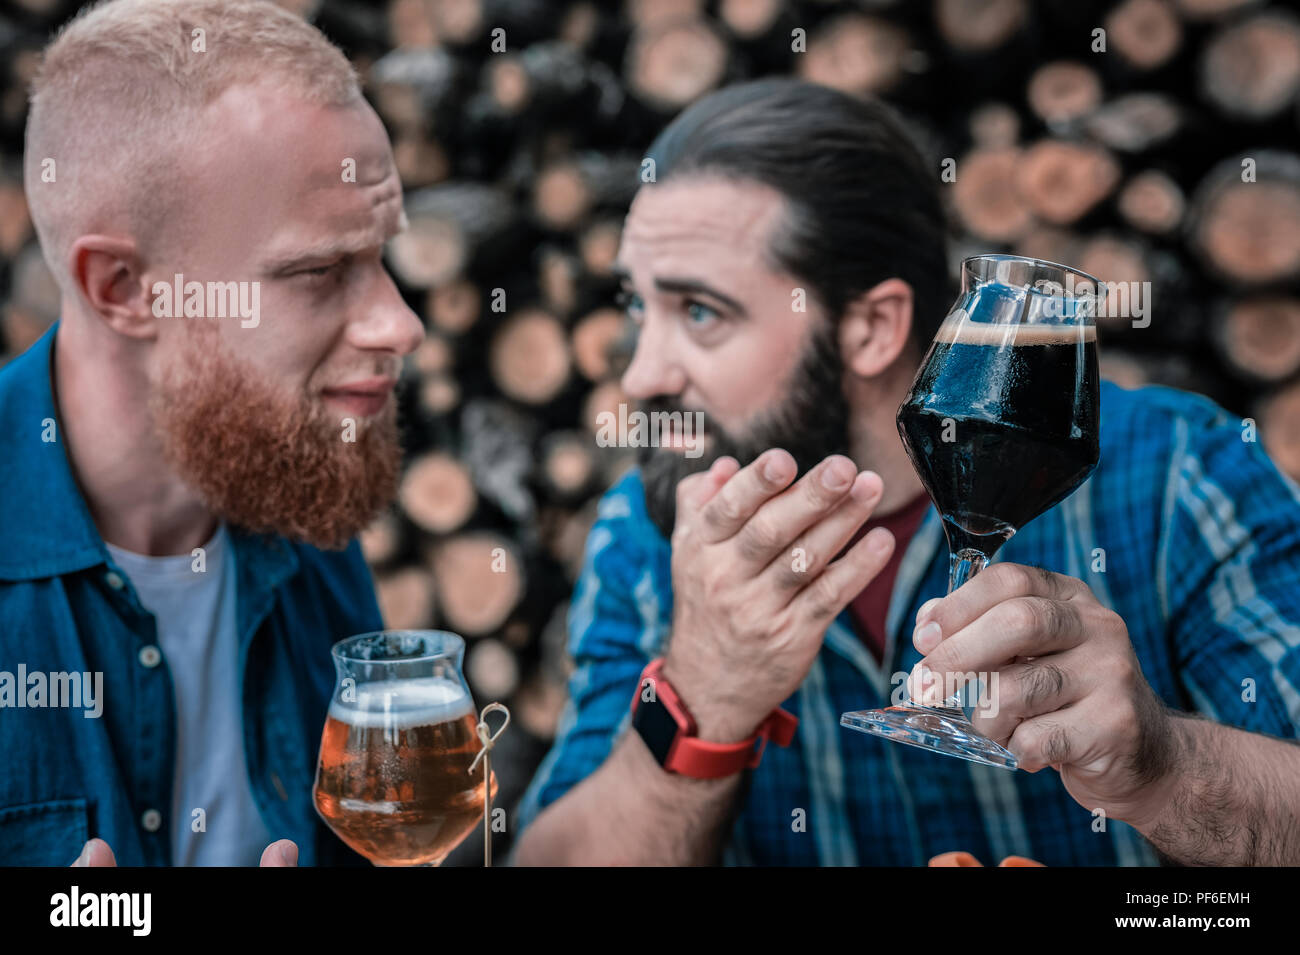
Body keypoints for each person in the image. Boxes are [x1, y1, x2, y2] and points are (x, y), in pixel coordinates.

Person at [510, 77, 1300, 866]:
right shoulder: (650, 533)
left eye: (701, 312)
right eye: (638, 306)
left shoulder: (1174, 471)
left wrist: (1163, 767)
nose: (641, 373)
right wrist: (701, 698)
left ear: (870, 327)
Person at [0, 0, 424, 866]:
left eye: (381, 256)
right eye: (316, 271)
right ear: (122, 286)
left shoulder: (295, 500)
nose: (399, 323)